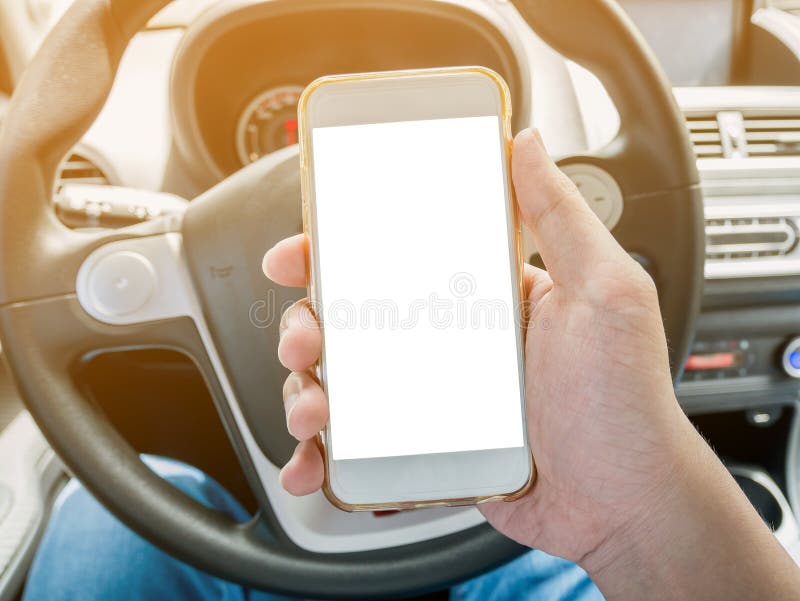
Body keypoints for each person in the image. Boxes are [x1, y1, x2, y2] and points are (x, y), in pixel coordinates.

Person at [23, 130, 800, 600]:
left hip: (536, 510)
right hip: (535, 545)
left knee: (111, 512)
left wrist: (636, 506)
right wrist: (643, 514)